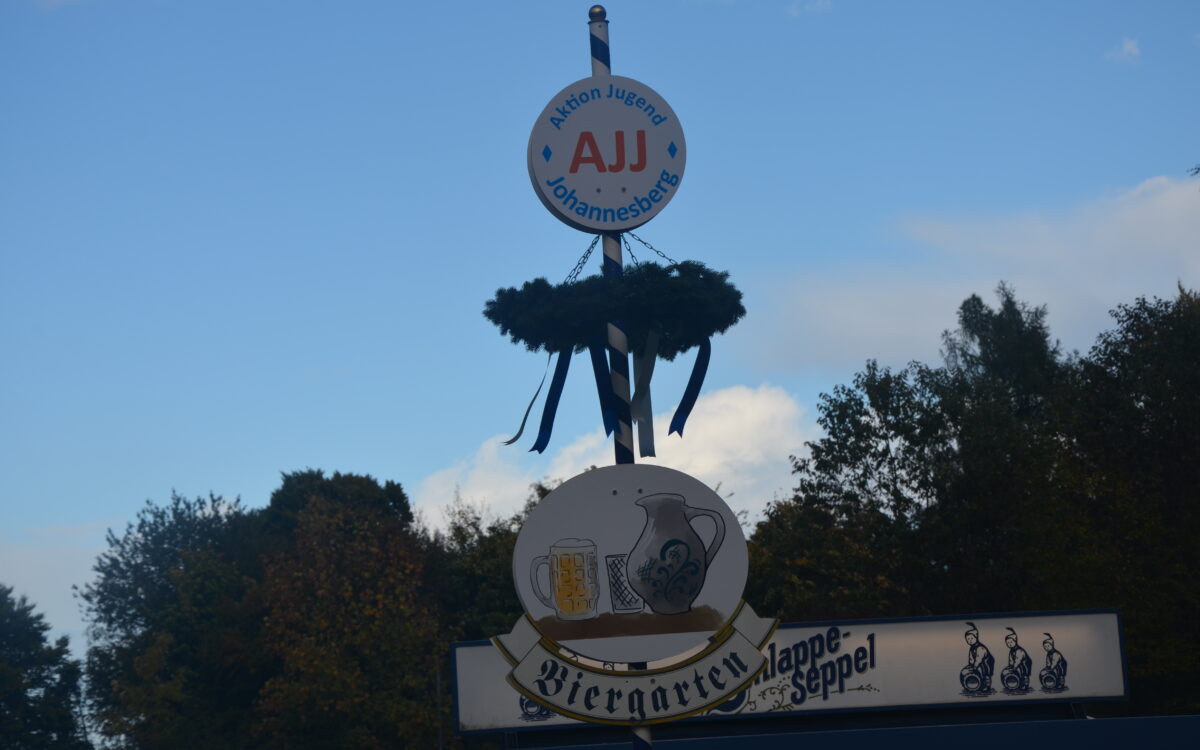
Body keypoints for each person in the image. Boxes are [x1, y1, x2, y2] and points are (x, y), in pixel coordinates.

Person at [963, 622, 994, 692]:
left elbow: (978, 658)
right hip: (980, 663)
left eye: (971, 638)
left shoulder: (980, 648)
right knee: (979, 672)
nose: (970, 640)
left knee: (986, 674)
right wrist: (970, 665)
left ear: (976, 637)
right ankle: (981, 684)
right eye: (968, 639)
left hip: (987, 662)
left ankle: (987, 686)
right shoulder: (971, 648)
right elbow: (971, 658)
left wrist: (975, 666)